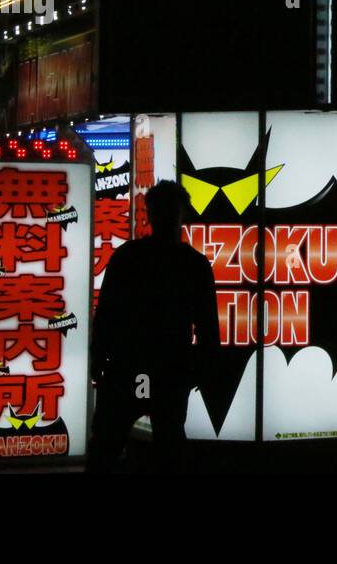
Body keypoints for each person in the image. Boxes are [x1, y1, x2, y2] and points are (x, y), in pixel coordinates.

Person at [87, 180, 218, 472]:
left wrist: (98, 355)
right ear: (182, 213)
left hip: (128, 363)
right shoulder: (194, 263)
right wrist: (203, 364)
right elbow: (208, 323)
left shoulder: (127, 256)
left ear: (149, 213)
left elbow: (107, 312)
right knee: (169, 443)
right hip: (170, 366)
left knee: (108, 442)